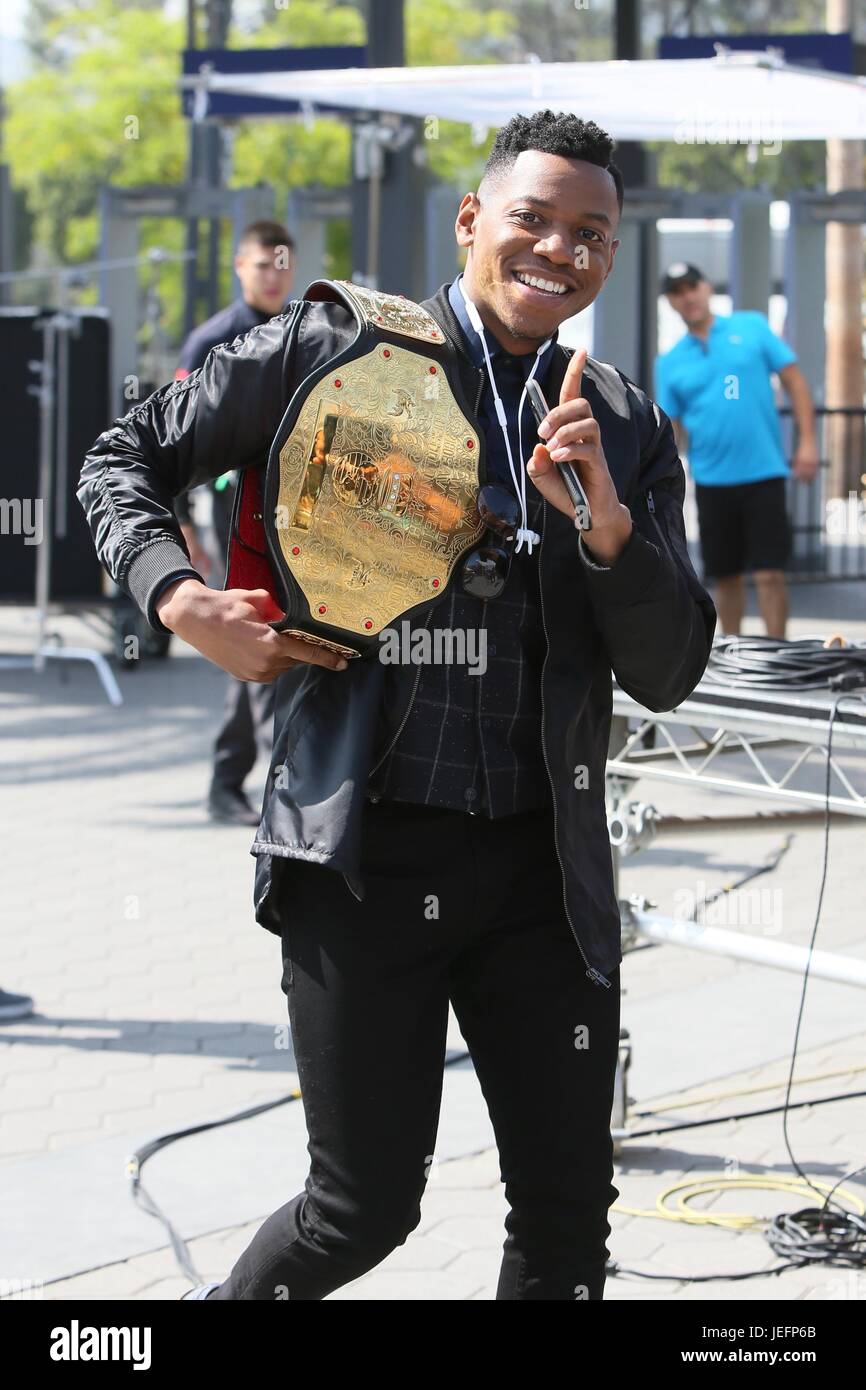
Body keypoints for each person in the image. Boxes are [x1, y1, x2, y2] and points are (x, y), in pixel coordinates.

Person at [78, 110, 715, 1302]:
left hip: (544, 872)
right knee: (358, 1209)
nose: (558, 250)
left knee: (570, 1221)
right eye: (531, 218)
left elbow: (670, 665)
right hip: (367, 851)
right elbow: (122, 455)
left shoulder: (624, 424)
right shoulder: (335, 344)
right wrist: (176, 596)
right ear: (471, 219)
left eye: (591, 234)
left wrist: (612, 539)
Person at [175, 220, 297, 825]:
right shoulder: (212, 341)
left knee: (274, 646)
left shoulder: (301, 332)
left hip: (296, 515)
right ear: (238, 268)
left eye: (283, 265)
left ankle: (247, 782)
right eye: (262, 266)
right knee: (255, 638)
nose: (274, 276)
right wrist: (182, 532)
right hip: (234, 516)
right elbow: (168, 443)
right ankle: (256, 784)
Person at [655, 262, 819, 639]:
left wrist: (808, 442)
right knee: (725, 577)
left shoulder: (752, 327)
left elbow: (794, 379)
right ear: (670, 301)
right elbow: (673, 430)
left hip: (764, 473)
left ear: (707, 287)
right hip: (712, 480)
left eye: (692, 285)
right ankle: (736, 661)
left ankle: (777, 658)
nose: (688, 295)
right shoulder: (670, 361)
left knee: (770, 573)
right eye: (677, 291)